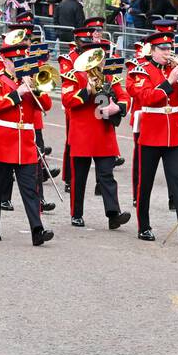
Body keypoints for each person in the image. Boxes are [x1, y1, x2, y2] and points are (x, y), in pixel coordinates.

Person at [0, 39, 54, 246]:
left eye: (22, 59)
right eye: (15, 60)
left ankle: (37, 230)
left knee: (30, 188)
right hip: (2, 141)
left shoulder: (30, 80)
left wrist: (35, 89)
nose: (19, 63)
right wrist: (17, 93)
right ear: (6, 61)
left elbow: (46, 106)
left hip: (25, 144)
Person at [125, 30, 178, 243]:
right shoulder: (141, 71)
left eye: (169, 48)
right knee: (144, 183)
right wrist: (169, 82)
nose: (168, 52)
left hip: (173, 134)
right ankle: (144, 226)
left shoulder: (173, 69)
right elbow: (146, 97)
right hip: (150, 133)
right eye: (163, 49)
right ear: (153, 51)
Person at [62, 42, 131, 232]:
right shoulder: (74, 75)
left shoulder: (109, 75)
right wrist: (86, 91)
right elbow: (67, 100)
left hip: (103, 133)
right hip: (82, 134)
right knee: (79, 178)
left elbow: (124, 96)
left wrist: (118, 107)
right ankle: (76, 214)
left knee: (107, 176)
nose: (98, 61)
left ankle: (113, 214)